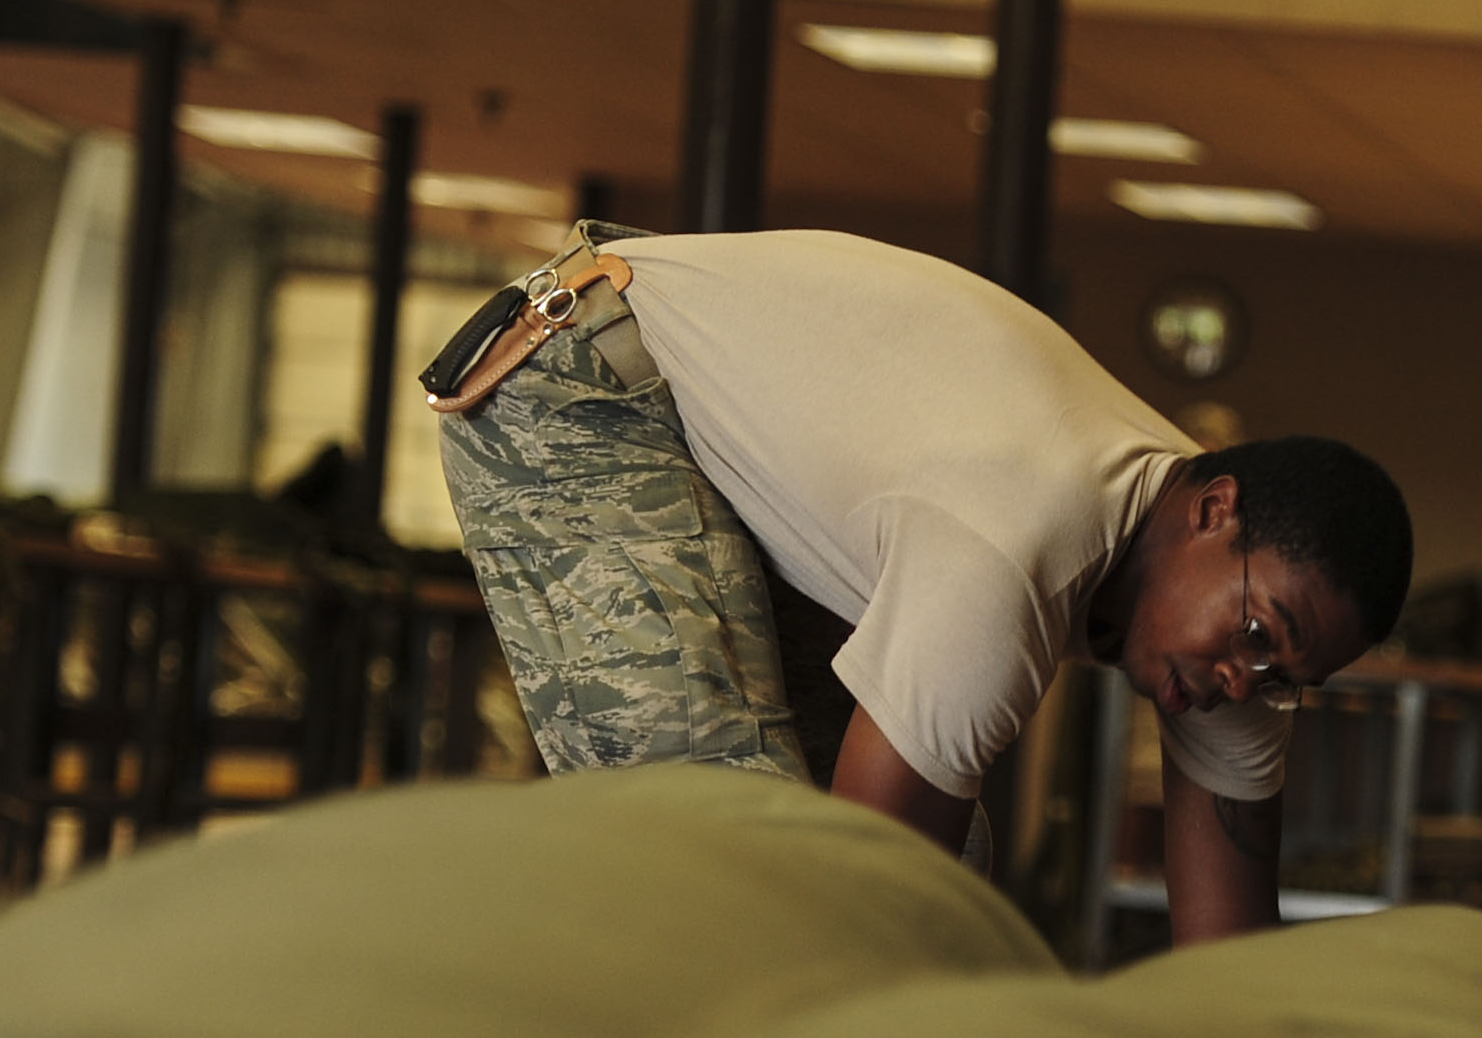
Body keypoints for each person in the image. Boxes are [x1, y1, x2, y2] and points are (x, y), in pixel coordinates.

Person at [437, 226, 1411, 941]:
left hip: (706, 434)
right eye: (1255, 636)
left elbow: (1227, 961)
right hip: (579, 375)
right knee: (724, 868)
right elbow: (854, 905)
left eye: (1282, 676)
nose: (1245, 684)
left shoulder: (1229, 637)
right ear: (1213, 509)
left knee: (937, 872)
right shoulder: (1013, 546)